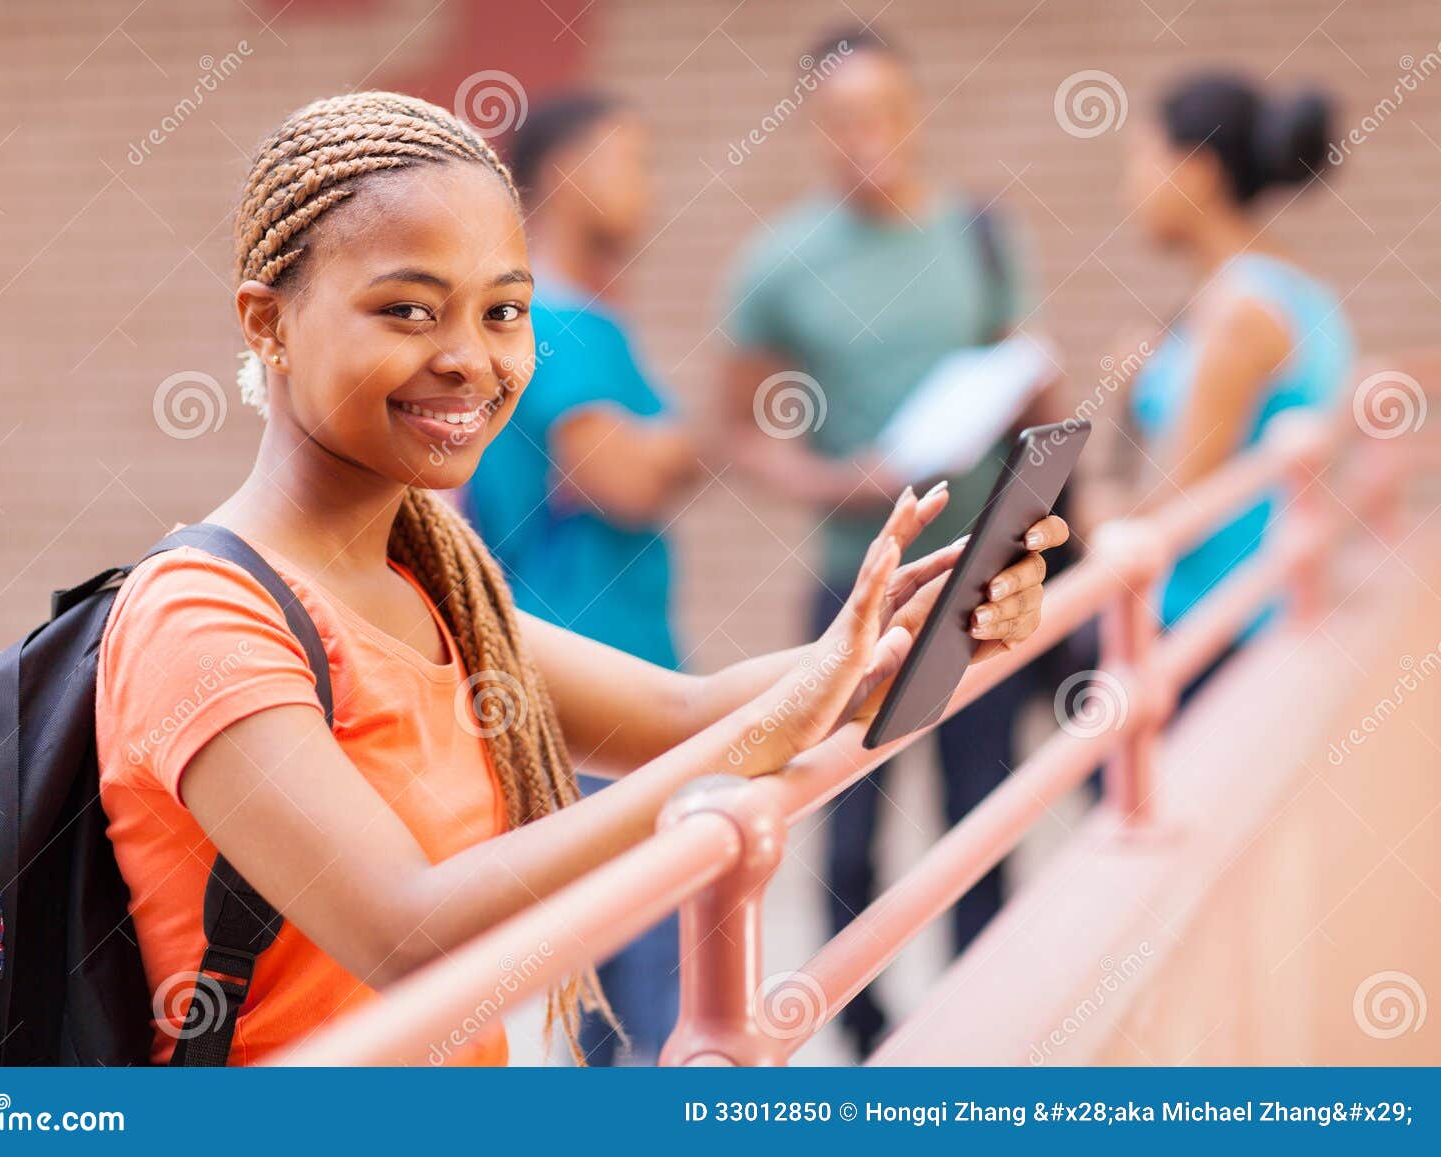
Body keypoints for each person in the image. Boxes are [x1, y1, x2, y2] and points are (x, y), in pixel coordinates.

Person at [93, 90, 1071, 1066]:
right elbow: (407, 933)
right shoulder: (204, 616)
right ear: (268, 323)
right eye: (407, 309)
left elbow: (686, 712)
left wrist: (915, 628)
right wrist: (762, 730)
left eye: (503, 311)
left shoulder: (434, 576)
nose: (470, 358)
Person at [720, 28, 1060, 1059]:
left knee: (978, 804)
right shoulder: (776, 263)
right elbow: (731, 432)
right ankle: (861, 1033)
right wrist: (836, 480)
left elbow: (1030, 384)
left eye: (883, 113)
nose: (866, 136)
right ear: (816, 130)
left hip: (975, 577)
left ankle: (980, 1021)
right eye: (843, 119)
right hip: (852, 581)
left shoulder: (980, 236)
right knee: (845, 822)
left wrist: (1024, 397)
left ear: (913, 114)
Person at [467, 93, 698, 1065]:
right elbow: (624, 480)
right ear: (563, 175)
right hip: (595, 701)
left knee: (612, 1007)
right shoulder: (559, 323)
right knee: (638, 1009)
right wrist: (707, 433)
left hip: (579, 686)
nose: (647, 186)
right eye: (628, 160)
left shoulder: (555, 320)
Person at [1121, 72, 1354, 691]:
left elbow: (1171, 507)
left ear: (1196, 172)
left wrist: (1089, 514)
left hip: (1207, 637)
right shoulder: (1299, 288)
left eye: (1144, 159)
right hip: (1263, 617)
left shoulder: (1237, 315)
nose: (1132, 186)